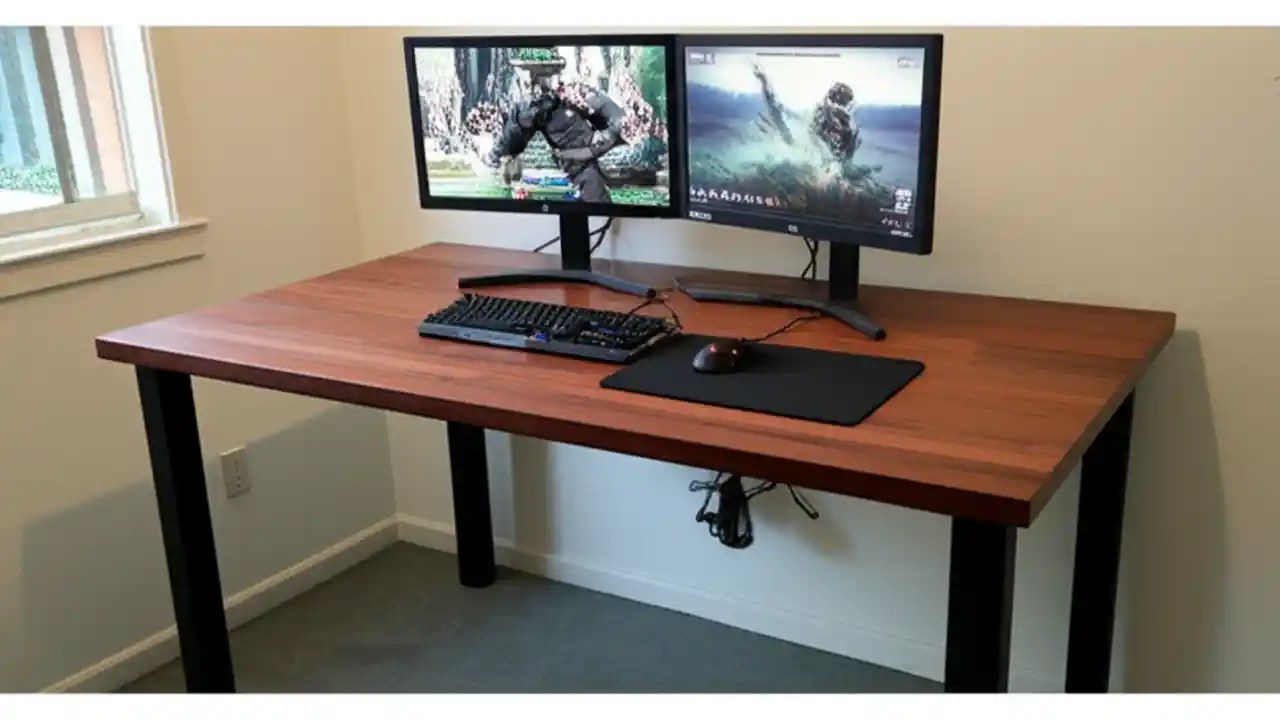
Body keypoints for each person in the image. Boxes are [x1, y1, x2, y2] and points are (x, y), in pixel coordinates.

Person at [487, 55, 628, 203]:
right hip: (577, 159)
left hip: (584, 160)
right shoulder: (531, 107)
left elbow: (616, 117)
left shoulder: (577, 94)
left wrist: (597, 142)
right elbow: (513, 137)